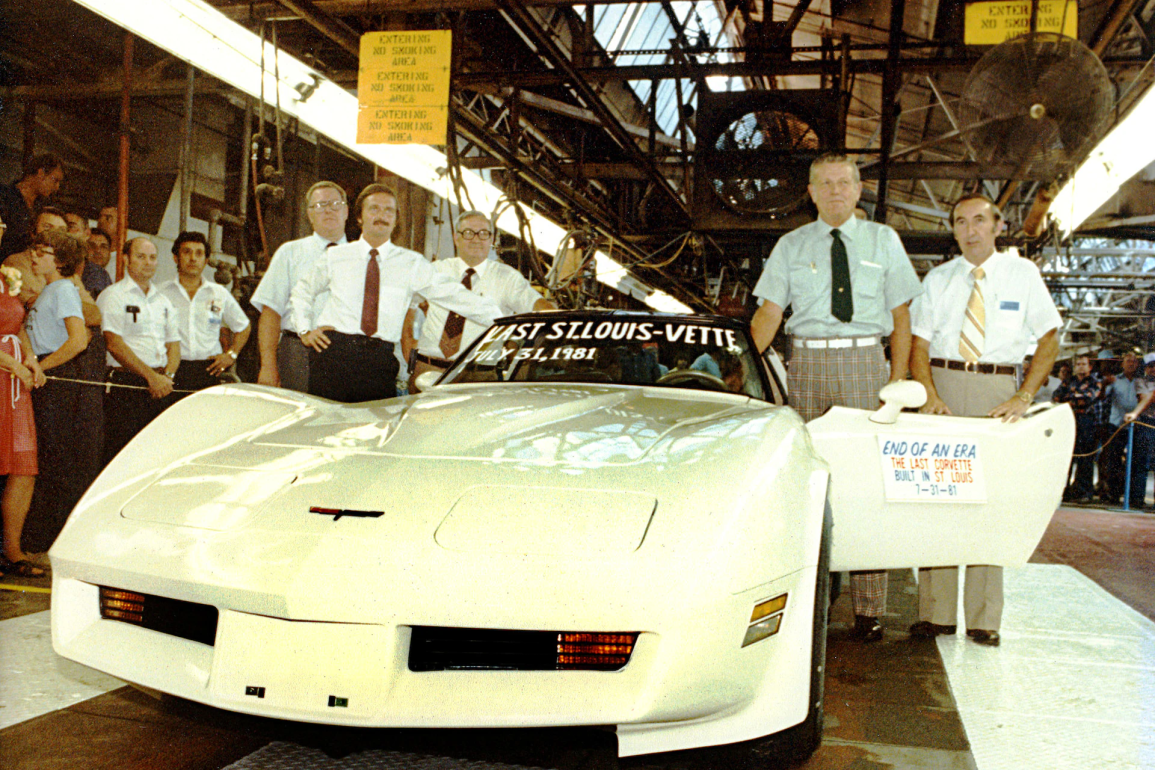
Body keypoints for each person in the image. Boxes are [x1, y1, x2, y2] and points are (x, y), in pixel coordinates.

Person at [749, 152, 922, 643]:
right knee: (806, 481)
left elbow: (902, 318)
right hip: (805, 365)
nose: (834, 191)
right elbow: (769, 314)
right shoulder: (789, 245)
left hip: (866, 362)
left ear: (858, 187)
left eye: (843, 182)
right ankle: (810, 602)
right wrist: (738, 370)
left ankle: (869, 611)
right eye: (824, 184)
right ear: (810, 192)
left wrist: (900, 380)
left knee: (866, 483)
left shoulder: (884, 241)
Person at [908, 193, 1061, 647]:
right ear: (953, 230)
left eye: (979, 220)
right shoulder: (937, 280)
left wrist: (1023, 395)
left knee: (988, 503)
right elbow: (919, 345)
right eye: (960, 222)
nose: (970, 230)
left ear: (997, 226)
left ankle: (983, 617)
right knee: (937, 499)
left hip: (998, 393)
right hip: (943, 389)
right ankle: (935, 614)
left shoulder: (1023, 274)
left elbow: (1050, 338)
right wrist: (930, 394)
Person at [290, 183, 501, 403]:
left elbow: (456, 296)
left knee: (376, 430)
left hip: (378, 361)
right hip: (334, 355)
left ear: (396, 220)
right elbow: (302, 291)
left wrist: (505, 322)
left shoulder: (411, 263)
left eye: (388, 210)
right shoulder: (336, 256)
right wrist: (305, 329)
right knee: (326, 428)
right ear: (360, 217)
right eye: (374, 209)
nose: (382, 215)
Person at [405, 210, 553, 392]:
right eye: (468, 233)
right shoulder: (436, 270)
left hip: (478, 378)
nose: (476, 239)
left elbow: (539, 307)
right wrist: (408, 339)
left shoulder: (508, 278)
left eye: (483, 233)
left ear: (492, 239)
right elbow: (407, 302)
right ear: (456, 238)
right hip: (427, 370)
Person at [23, 231, 90, 555]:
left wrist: (42, 367)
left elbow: (79, 340)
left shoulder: (63, 289)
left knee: (53, 460)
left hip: (56, 379)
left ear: (61, 261)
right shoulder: (50, 290)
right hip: (44, 375)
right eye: (35, 251)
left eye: (43, 252)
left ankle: (46, 539)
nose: (35, 257)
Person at [250, 181, 349, 392]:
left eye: (335, 204)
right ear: (309, 214)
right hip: (298, 354)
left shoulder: (363, 258)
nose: (329, 209)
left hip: (348, 355)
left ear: (346, 211)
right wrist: (268, 366)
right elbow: (270, 312)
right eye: (321, 205)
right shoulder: (290, 253)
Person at [97, 237, 179, 464]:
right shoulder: (113, 296)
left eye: (152, 258)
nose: (148, 262)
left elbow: (174, 345)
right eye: (141, 256)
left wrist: (167, 377)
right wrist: (150, 377)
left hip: (161, 385)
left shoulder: (163, 301)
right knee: (122, 455)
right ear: (126, 259)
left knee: (156, 456)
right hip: (127, 385)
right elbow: (113, 343)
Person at [0, 214, 45, 577]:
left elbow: (19, 326)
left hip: (14, 386)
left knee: (22, 468)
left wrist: (30, 361)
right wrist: (13, 366)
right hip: (4, 374)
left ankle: (13, 550)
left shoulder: (8, 277)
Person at [158, 232, 250, 398]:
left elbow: (243, 327)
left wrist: (231, 355)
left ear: (206, 261)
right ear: (175, 257)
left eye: (199, 253)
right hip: (170, 370)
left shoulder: (218, 293)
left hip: (208, 371)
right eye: (186, 252)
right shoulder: (160, 293)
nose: (193, 258)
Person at [1053, 354, 1103, 503]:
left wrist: (1070, 398)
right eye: (1078, 364)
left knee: (1085, 458)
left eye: (1083, 364)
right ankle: (1063, 491)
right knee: (1066, 457)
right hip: (1068, 421)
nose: (1080, 366)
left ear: (1089, 367)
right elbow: (1056, 397)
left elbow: (1088, 398)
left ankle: (1083, 493)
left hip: (1087, 422)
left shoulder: (1096, 382)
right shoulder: (1068, 381)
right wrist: (1075, 398)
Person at [0, 153, 64, 261]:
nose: (57, 187)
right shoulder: (4, 196)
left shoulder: (43, 207)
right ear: (41, 173)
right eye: (55, 180)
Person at [1099, 352, 1140, 505]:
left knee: (1136, 461)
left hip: (1136, 426)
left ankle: (1134, 497)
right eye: (1128, 361)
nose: (1131, 364)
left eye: (1134, 362)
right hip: (1116, 425)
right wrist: (1104, 385)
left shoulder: (1140, 382)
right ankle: (1113, 495)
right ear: (1122, 364)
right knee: (1113, 461)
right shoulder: (1115, 380)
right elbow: (1102, 397)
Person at [1122, 353, 1155, 508]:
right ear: (1146, 368)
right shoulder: (1140, 381)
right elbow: (1146, 398)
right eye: (1151, 366)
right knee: (1142, 462)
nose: (1154, 369)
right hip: (1146, 423)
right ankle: (1137, 499)